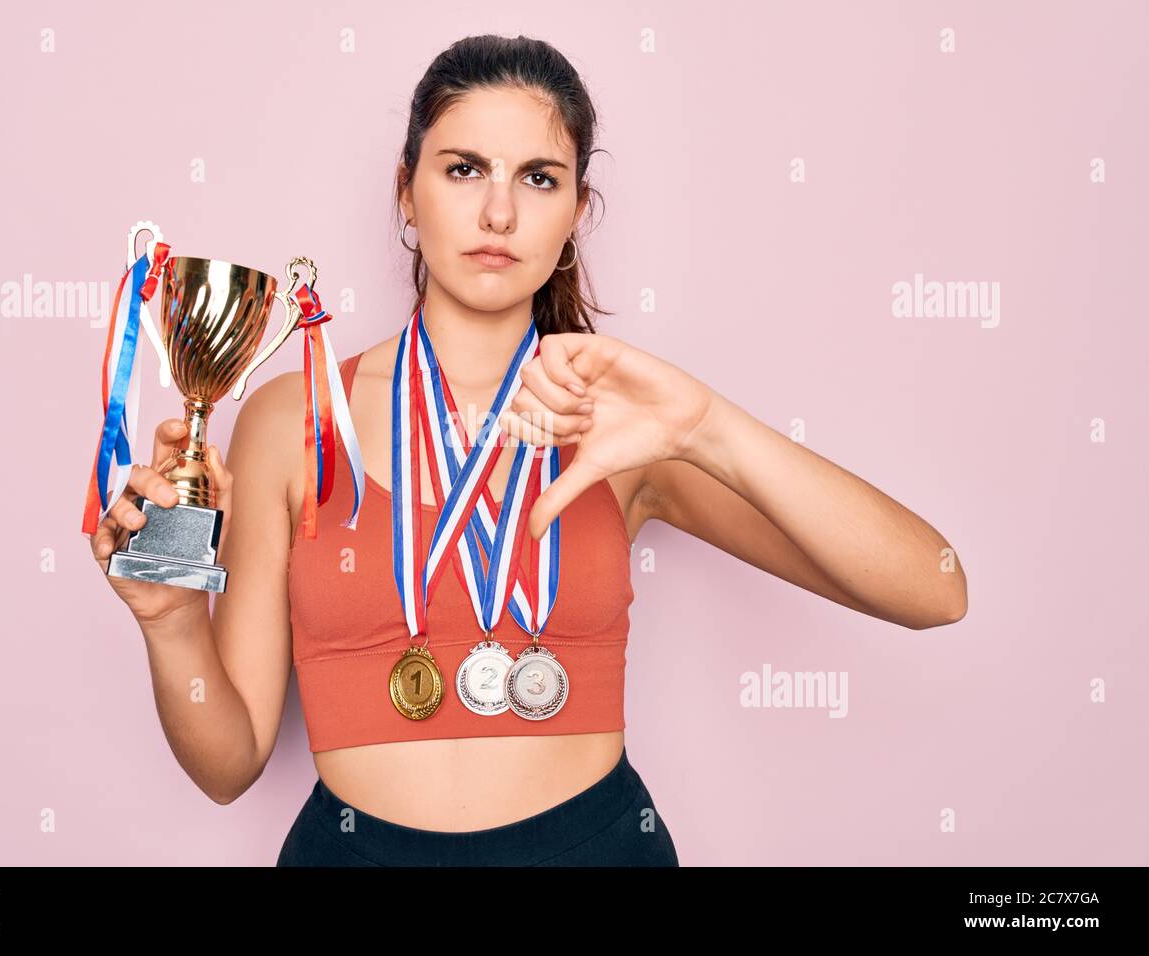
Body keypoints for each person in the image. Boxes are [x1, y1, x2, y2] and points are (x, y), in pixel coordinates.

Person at [87, 35, 968, 867]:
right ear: (407, 190)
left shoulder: (627, 420)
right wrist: (168, 623)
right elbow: (229, 762)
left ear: (578, 209)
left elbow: (933, 588)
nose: (499, 211)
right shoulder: (295, 416)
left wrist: (705, 425)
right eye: (464, 169)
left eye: (539, 178)